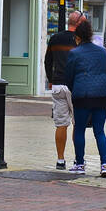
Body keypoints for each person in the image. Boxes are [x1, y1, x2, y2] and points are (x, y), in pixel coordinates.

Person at [65, 18, 106, 177]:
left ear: (78, 37)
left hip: (83, 95)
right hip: (102, 94)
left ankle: (80, 164)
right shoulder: (102, 51)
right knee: (99, 131)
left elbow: (69, 76)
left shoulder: (74, 53)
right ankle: (104, 165)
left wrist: (75, 89)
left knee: (79, 129)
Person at [44, 9, 82, 169]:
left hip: (58, 84)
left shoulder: (55, 38)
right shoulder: (80, 40)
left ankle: (60, 160)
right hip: (76, 85)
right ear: (79, 23)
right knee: (77, 123)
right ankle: (77, 159)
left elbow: (47, 61)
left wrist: (51, 80)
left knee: (61, 124)